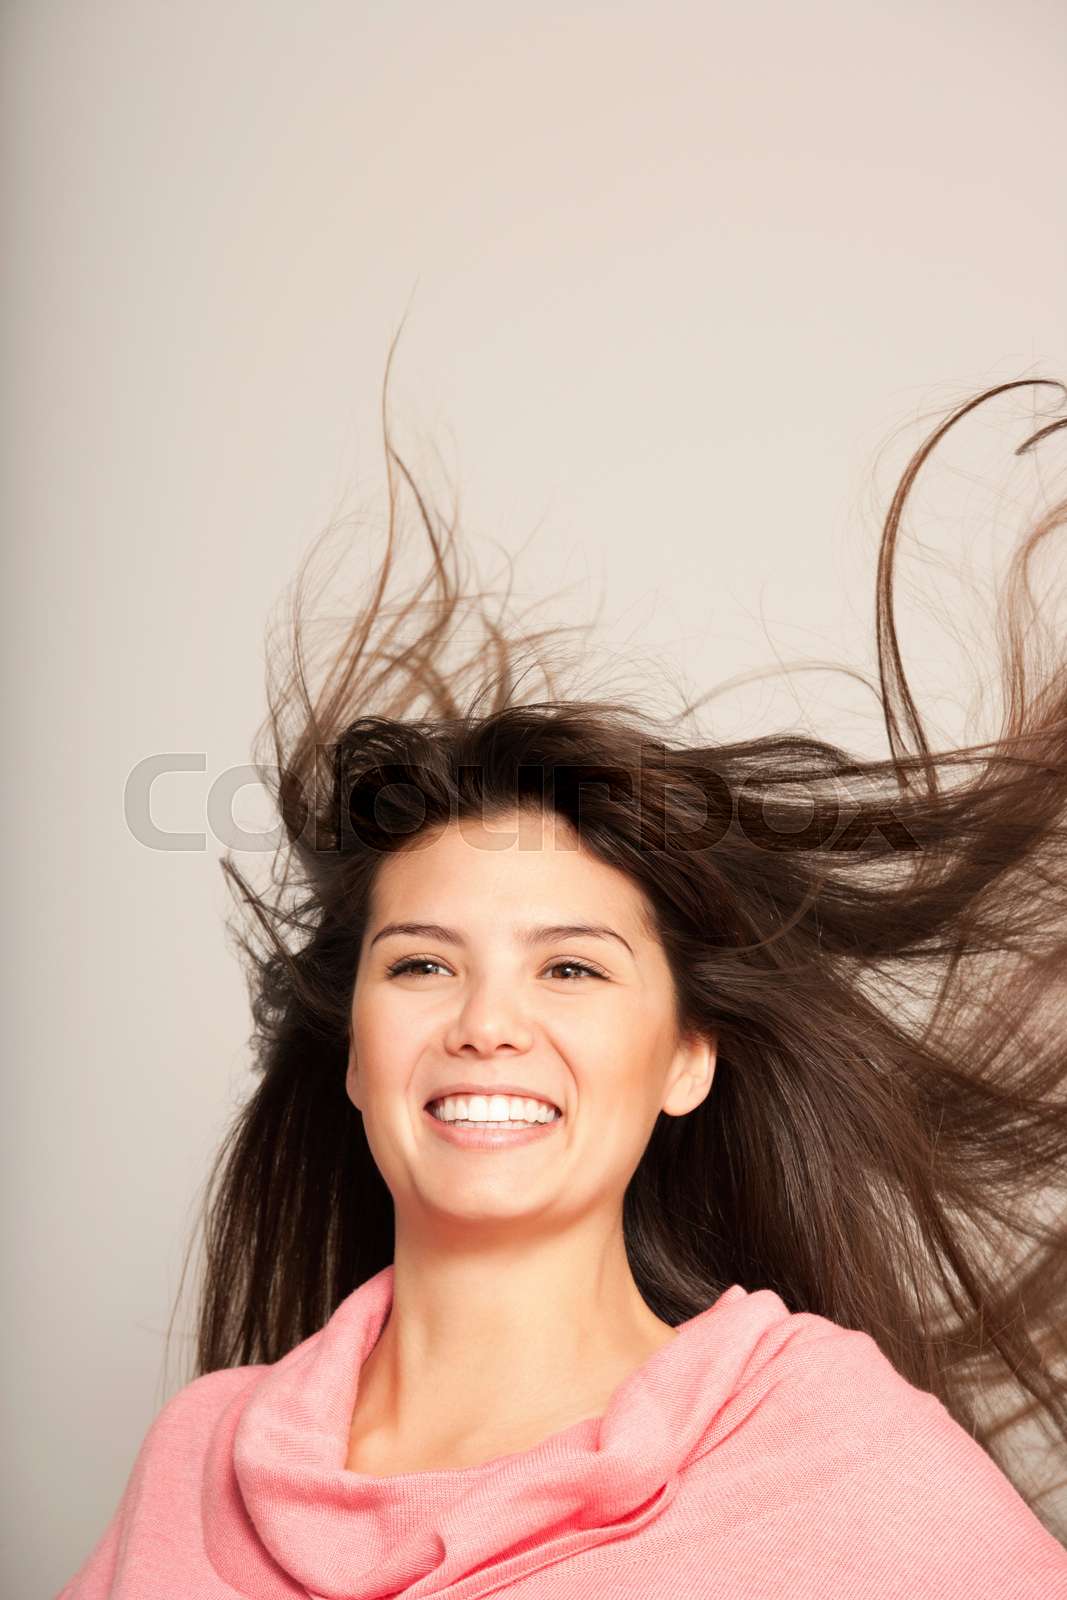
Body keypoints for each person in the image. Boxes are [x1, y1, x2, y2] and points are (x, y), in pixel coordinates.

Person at [57, 346, 1067, 1598]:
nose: (487, 1024)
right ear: (355, 1051)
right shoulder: (196, 1459)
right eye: (421, 963)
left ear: (687, 1055)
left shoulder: (833, 1456)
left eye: (572, 971)